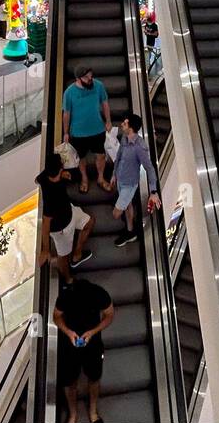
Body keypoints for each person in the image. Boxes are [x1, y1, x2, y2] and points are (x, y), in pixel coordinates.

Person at [54, 277, 114, 423]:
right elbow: (56, 316)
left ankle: (93, 411)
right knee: (69, 380)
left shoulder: (99, 294)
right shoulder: (66, 296)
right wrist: (68, 333)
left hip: (93, 344)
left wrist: (92, 332)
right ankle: (73, 414)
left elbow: (109, 314)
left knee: (94, 377)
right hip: (68, 343)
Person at [37, 150, 94, 283]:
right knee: (63, 256)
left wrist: (62, 174)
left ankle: (77, 255)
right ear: (60, 168)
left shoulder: (44, 176)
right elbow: (45, 223)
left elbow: (37, 180)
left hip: (70, 210)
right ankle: (68, 280)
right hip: (61, 230)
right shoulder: (51, 197)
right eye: (62, 164)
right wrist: (46, 250)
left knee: (89, 222)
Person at [111, 114, 159, 249]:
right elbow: (118, 157)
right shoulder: (125, 139)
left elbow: (149, 168)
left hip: (129, 185)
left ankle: (131, 228)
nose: (122, 125)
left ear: (131, 128)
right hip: (121, 179)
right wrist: (114, 174)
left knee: (116, 214)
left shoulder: (140, 147)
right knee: (128, 205)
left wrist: (153, 191)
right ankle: (130, 231)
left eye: (125, 124)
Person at [63, 65, 111, 193]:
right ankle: (84, 178)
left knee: (101, 155)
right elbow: (66, 113)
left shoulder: (98, 86)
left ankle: (101, 178)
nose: (90, 79)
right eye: (86, 77)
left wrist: (108, 120)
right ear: (78, 79)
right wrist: (66, 132)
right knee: (81, 158)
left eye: (91, 76)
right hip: (78, 134)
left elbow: (105, 103)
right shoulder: (69, 92)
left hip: (98, 130)